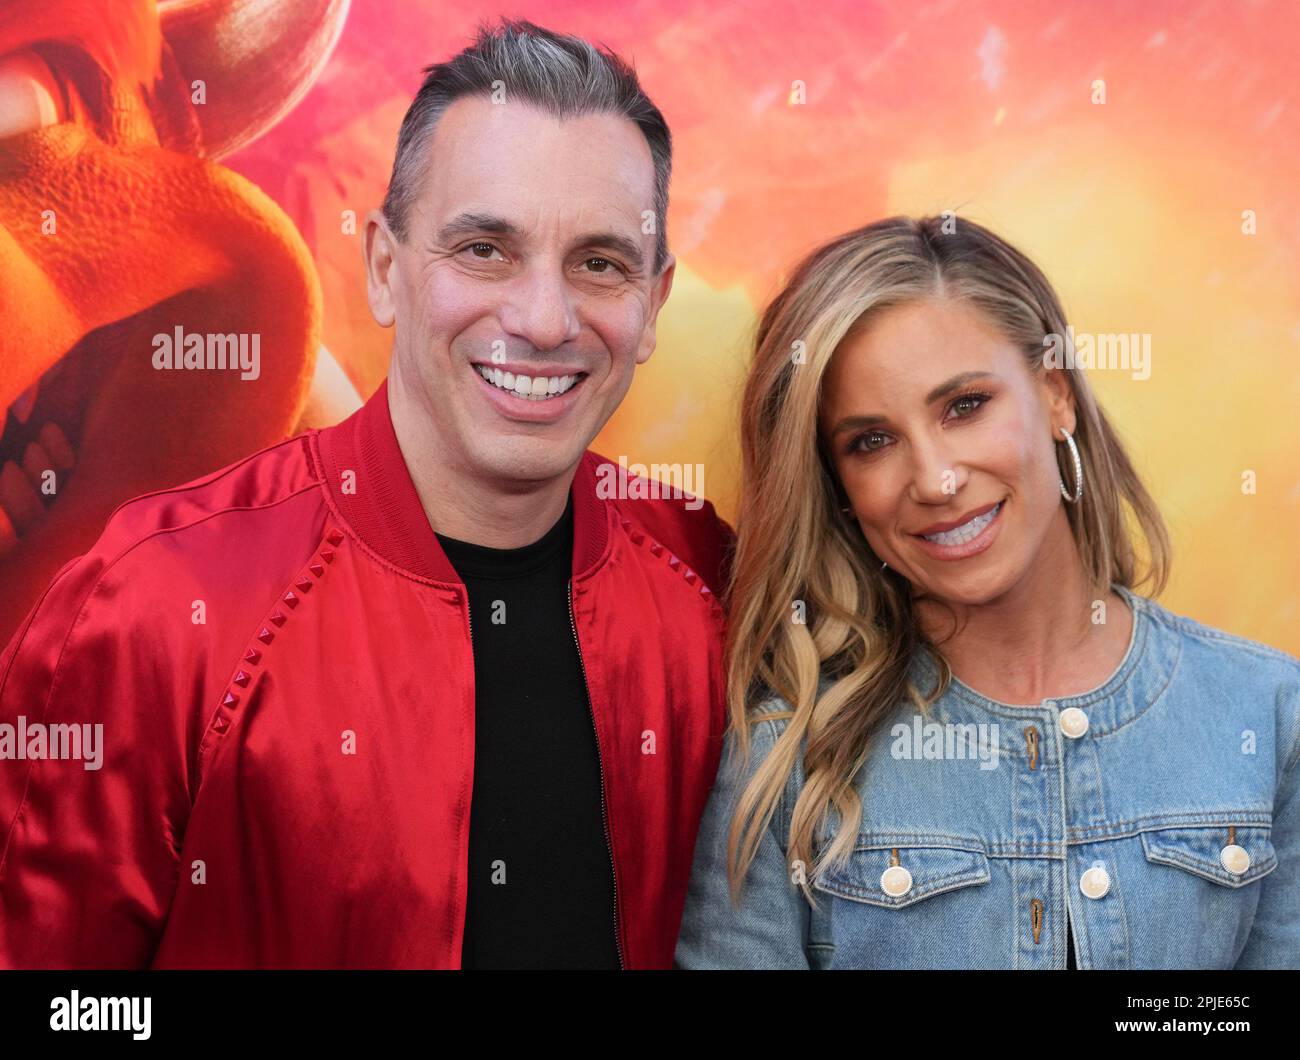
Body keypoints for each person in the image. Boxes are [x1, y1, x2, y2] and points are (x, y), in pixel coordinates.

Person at [0, 19, 731, 970]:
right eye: (483, 250)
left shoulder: (715, 583)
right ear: (384, 268)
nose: (543, 321)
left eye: (600, 263)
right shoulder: (136, 604)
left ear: (655, 304)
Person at [675, 215, 1298, 969]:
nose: (936, 479)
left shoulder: (1266, 714)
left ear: (1056, 394)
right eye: (871, 442)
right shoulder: (788, 757)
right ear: (839, 487)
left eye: (965, 405)